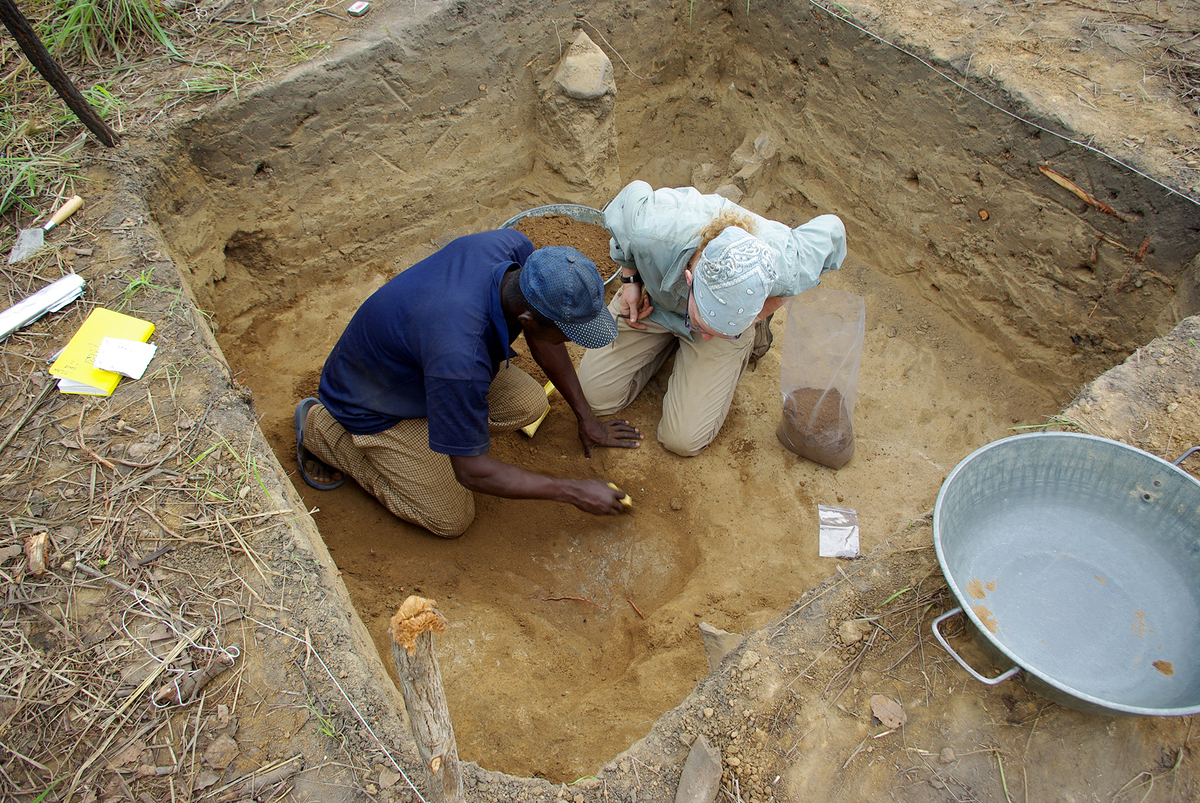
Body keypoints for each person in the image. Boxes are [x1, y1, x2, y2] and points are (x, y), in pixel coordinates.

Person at [294, 229, 643, 538]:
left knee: (530, 403)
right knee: (450, 518)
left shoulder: (514, 252)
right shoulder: (461, 359)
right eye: (568, 333)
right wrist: (574, 491)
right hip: (367, 400)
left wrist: (586, 416)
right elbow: (473, 473)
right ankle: (322, 430)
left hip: (419, 363)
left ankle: (443, 424)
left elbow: (541, 337)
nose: (571, 340)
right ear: (527, 319)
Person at [577, 180, 847, 457]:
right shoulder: (655, 227)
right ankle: (674, 343)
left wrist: (759, 313)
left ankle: (718, 337)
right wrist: (630, 279)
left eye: (716, 330)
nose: (706, 337)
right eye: (702, 324)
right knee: (593, 397)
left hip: (731, 322)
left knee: (682, 440)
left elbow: (832, 229)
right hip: (655, 301)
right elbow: (629, 198)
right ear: (689, 280)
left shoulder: (784, 261)